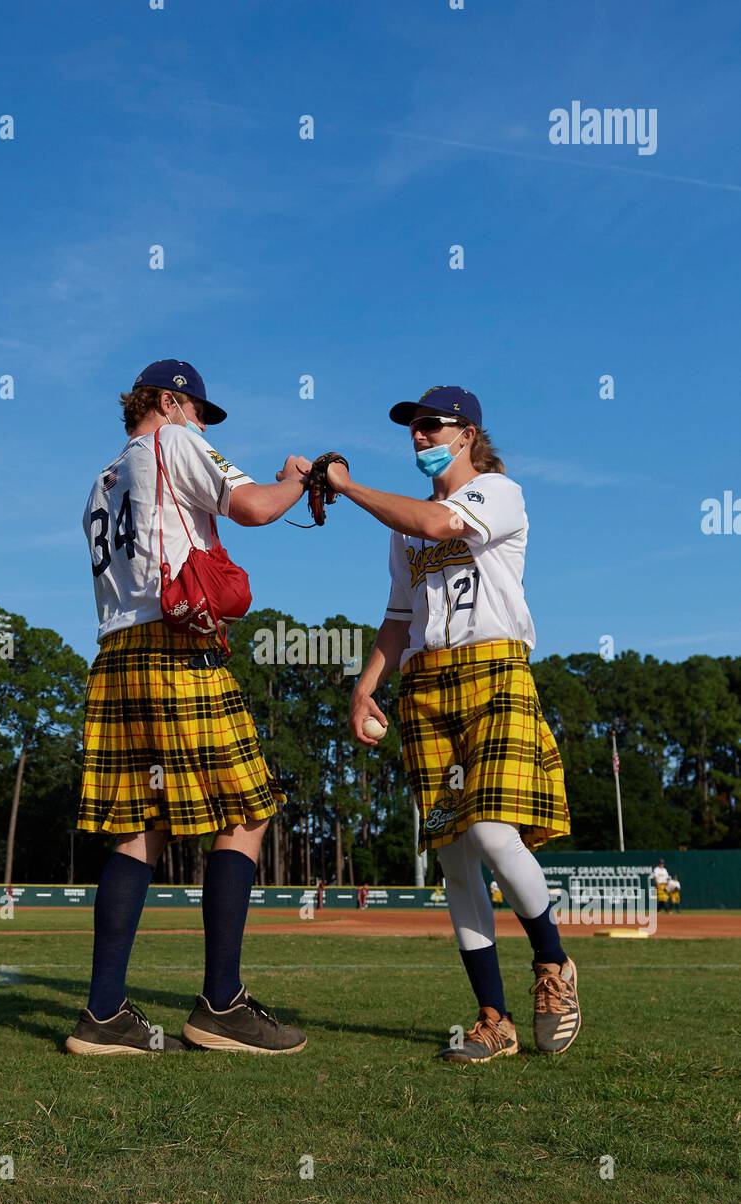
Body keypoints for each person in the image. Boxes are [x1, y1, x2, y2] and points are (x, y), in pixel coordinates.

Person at [66, 359, 310, 1057]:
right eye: (200, 412)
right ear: (171, 402)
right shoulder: (174, 441)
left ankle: (104, 1014)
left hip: (116, 652)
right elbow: (257, 508)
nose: (204, 426)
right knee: (247, 810)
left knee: (141, 826)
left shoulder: (100, 481)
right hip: (177, 647)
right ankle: (221, 1005)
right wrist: (297, 478)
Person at [340, 384, 579, 1064]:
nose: (418, 437)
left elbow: (441, 526)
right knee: (453, 856)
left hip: (494, 668)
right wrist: (364, 690)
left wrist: (347, 486)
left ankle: (553, 967)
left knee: (491, 830)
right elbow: (398, 617)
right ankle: (493, 1018)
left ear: (467, 433)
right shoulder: (404, 523)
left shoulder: (498, 491)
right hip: (424, 682)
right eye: (412, 428)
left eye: (430, 426)